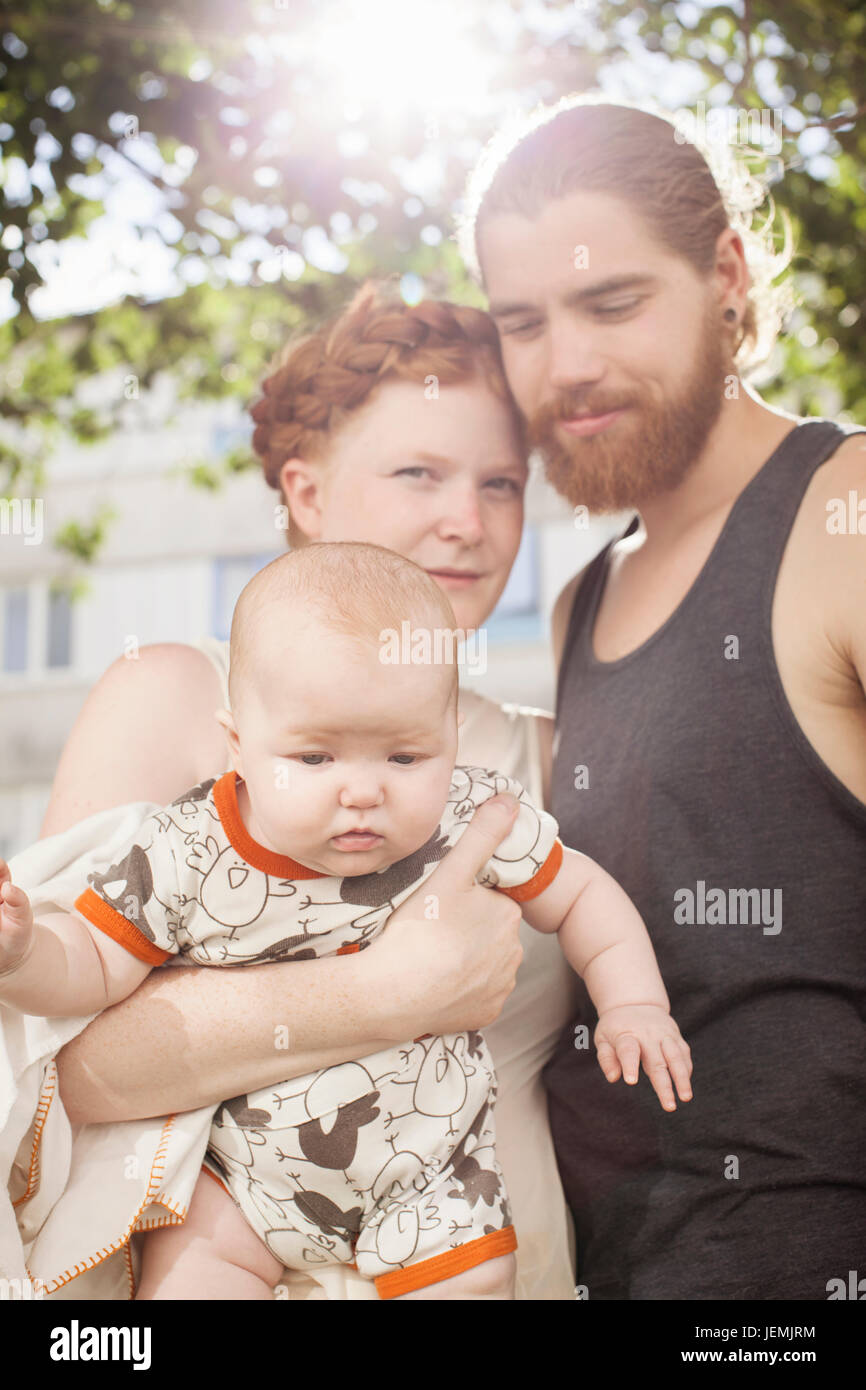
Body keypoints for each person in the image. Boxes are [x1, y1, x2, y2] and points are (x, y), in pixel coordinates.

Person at [30, 286, 581, 1300]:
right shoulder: (178, 696)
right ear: (308, 491)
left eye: (500, 483)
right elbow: (56, 1069)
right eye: (418, 472)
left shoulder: (548, 756)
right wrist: (380, 994)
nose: (467, 520)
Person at [1, 542, 692, 1300]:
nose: (362, 791)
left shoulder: (470, 817)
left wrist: (632, 1002)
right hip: (243, 1185)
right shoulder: (187, 849)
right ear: (240, 747)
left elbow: (586, 895)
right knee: (189, 1273)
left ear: (450, 742)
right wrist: (26, 950)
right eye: (315, 758)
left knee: (478, 1280)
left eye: (403, 757)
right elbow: (92, 967)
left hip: (430, 1172)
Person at [458, 95, 866, 1299]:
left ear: (726, 276)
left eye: (612, 303)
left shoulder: (843, 521)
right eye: (520, 322)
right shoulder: (582, 596)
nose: (564, 364)